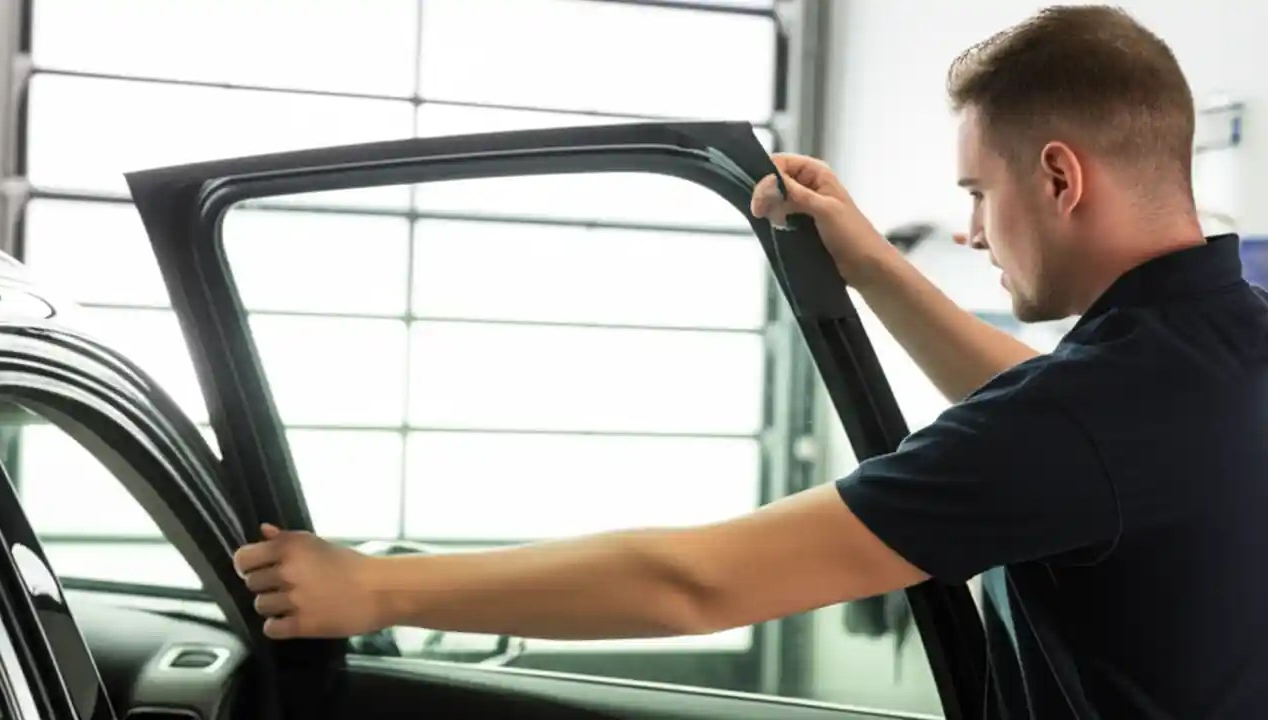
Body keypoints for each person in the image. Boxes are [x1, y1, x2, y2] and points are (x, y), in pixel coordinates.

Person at [233, 5, 1268, 717]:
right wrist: (864, 264)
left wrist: (371, 591)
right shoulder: (1221, 344)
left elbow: (694, 583)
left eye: (971, 193)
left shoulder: (1091, 415)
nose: (968, 233)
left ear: (1057, 176)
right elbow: (1053, 413)